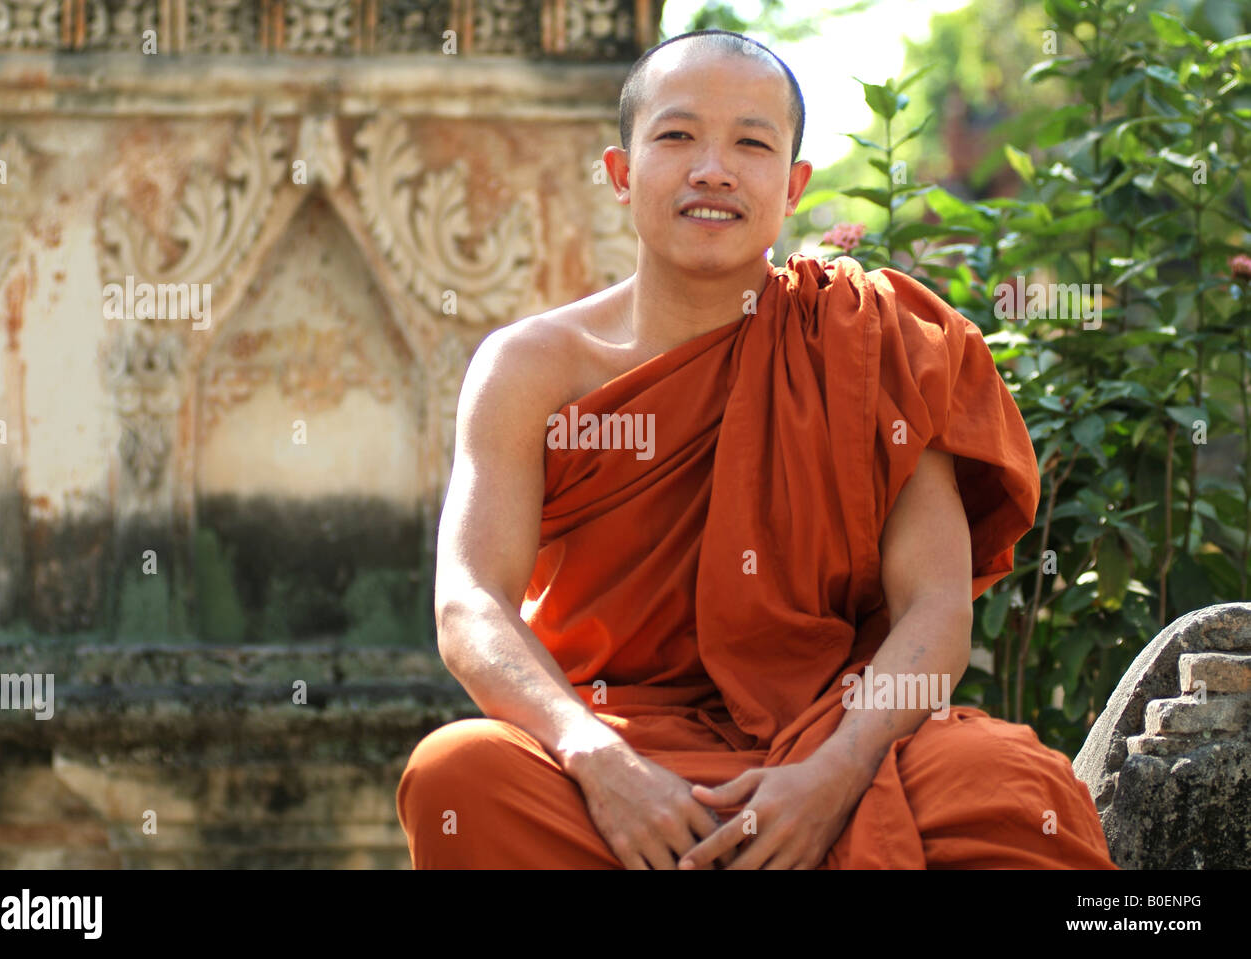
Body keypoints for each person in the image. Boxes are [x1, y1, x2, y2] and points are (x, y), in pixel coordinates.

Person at [396, 28, 1117, 870]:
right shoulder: (531, 368)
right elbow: (469, 602)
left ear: (793, 185)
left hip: (838, 730)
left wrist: (834, 776)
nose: (713, 169)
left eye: (751, 142)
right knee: (459, 774)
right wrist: (596, 761)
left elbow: (937, 607)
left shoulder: (868, 341)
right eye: (676, 136)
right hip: (622, 735)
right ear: (622, 174)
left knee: (1008, 786)